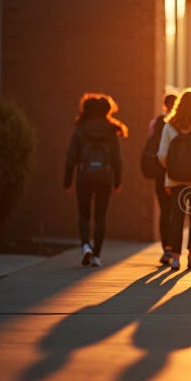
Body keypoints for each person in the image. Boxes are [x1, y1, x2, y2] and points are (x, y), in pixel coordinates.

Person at [64, 93, 127, 267]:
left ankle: (85, 246)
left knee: (84, 215)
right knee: (100, 216)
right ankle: (97, 255)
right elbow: (117, 158)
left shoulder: (80, 129)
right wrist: (118, 180)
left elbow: (71, 158)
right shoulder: (111, 129)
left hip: (84, 176)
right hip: (105, 177)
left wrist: (67, 181)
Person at [157, 88, 191, 271]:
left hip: (175, 180)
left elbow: (162, 155)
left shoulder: (169, 126)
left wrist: (172, 171)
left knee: (177, 218)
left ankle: (174, 258)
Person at [145, 93, 177, 265]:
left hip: (159, 172)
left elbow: (151, 145)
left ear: (164, 105)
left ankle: (166, 248)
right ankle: (175, 247)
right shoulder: (179, 123)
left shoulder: (155, 123)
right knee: (175, 212)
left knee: (164, 212)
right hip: (177, 173)